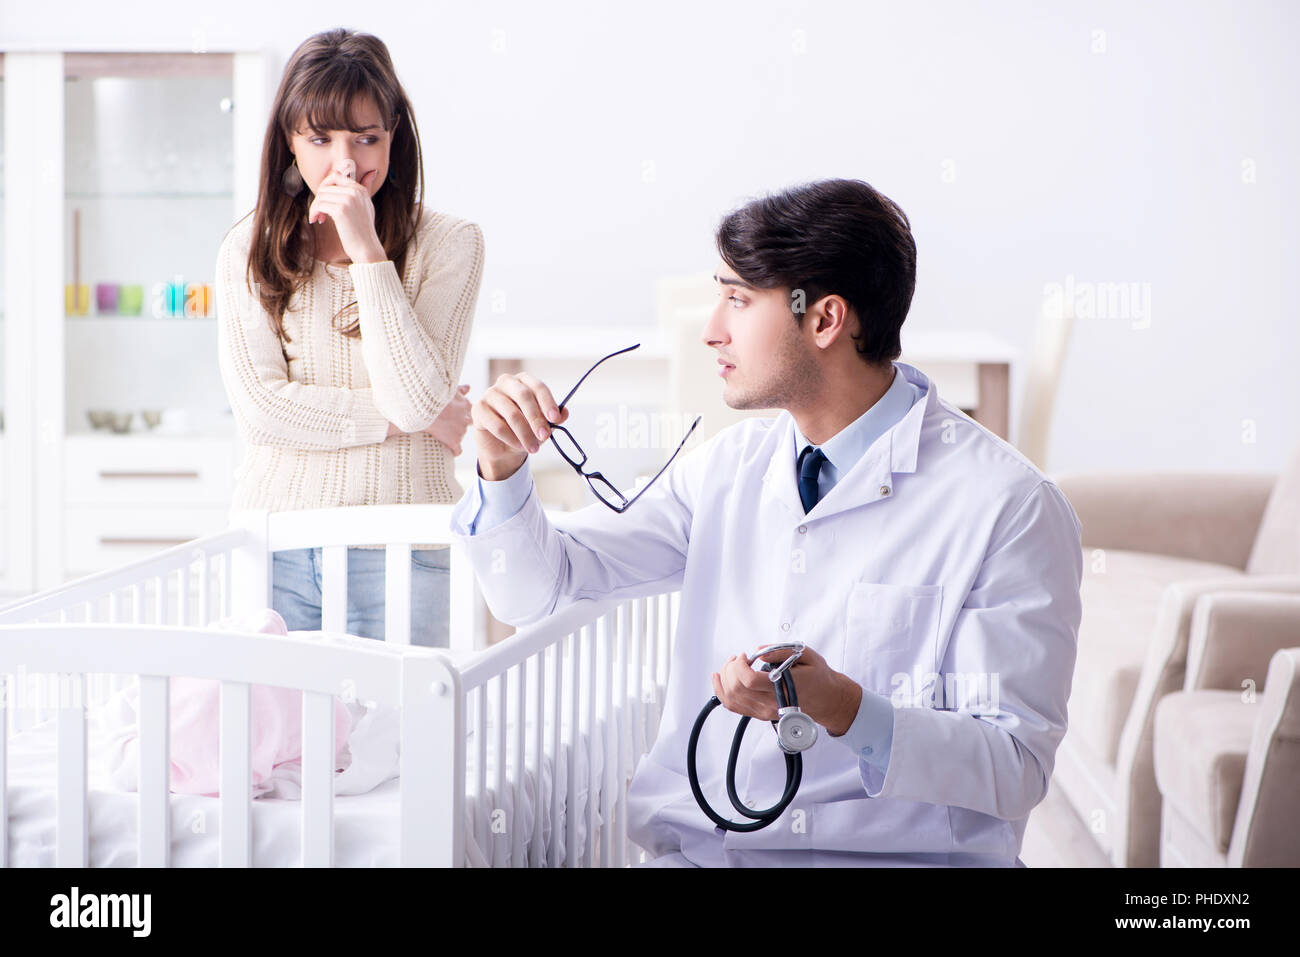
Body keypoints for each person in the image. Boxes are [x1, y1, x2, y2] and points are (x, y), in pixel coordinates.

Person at [447, 177, 1084, 867]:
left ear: (825, 320)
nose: (710, 329)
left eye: (739, 298)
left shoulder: (1009, 506)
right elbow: (537, 589)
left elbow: (1016, 764)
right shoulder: (727, 469)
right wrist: (500, 469)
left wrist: (845, 706)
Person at [216, 28, 484, 647]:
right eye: (320, 139)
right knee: (275, 742)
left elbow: (416, 398)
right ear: (289, 141)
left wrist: (367, 251)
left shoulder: (451, 244)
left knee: (396, 738)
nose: (345, 164)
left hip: (403, 545)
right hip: (275, 542)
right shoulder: (247, 247)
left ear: (394, 135)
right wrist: (407, 420)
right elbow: (261, 409)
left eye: (367, 138)